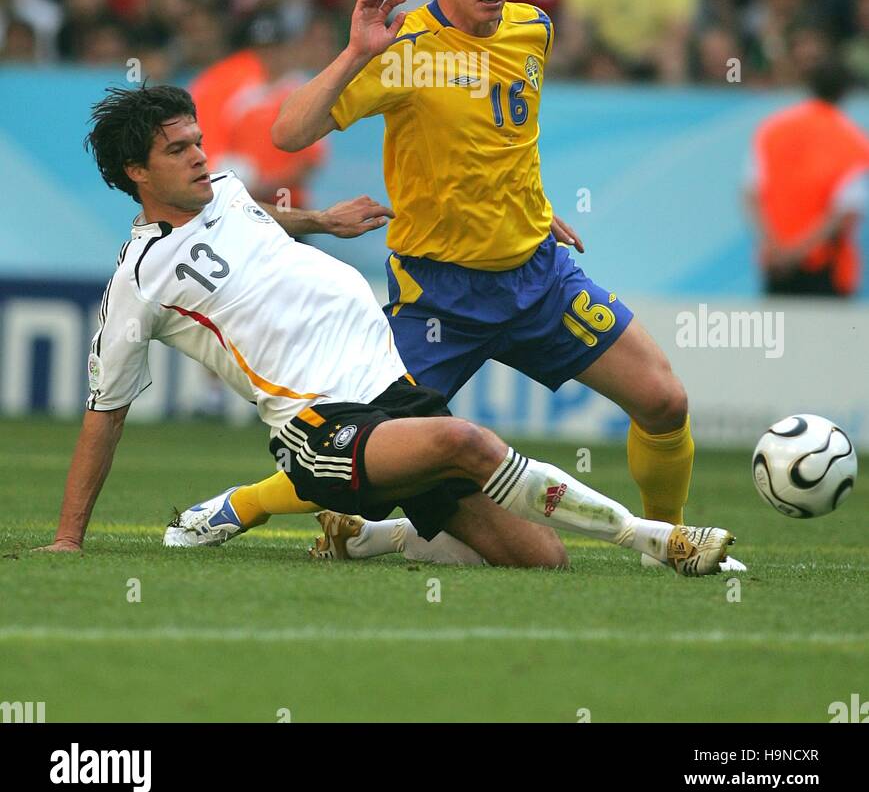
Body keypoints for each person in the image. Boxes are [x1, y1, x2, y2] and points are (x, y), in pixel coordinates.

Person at [37, 83, 734, 577]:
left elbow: (253, 222)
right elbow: (106, 411)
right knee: (465, 441)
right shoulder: (139, 278)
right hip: (319, 429)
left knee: (541, 561)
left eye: (196, 140)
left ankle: (371, 537)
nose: (198, 155)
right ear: (136, 172)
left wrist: (322, 221)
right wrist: (69, 539)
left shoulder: (226, 192)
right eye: (177, 150)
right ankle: (656, 539)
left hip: (391, 394)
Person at [240, 0, 741, 572]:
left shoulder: (532, 29)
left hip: (537, 276)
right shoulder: (400, 50)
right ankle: (242, 506)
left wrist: (527, 204)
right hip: (439, 297)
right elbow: (286, 132)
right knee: (360, 448)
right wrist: (355, 52)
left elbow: (501, 140)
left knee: (663, 399)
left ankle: (665, 544)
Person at [745, 59, 869, 297]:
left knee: (777, 332)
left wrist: (775, 246)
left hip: (776, 262)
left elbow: (751, 194)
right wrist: (798, 251)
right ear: (845, 92)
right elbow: (845, 212)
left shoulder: (772, 130)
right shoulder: (852, 141)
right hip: (825, 266)